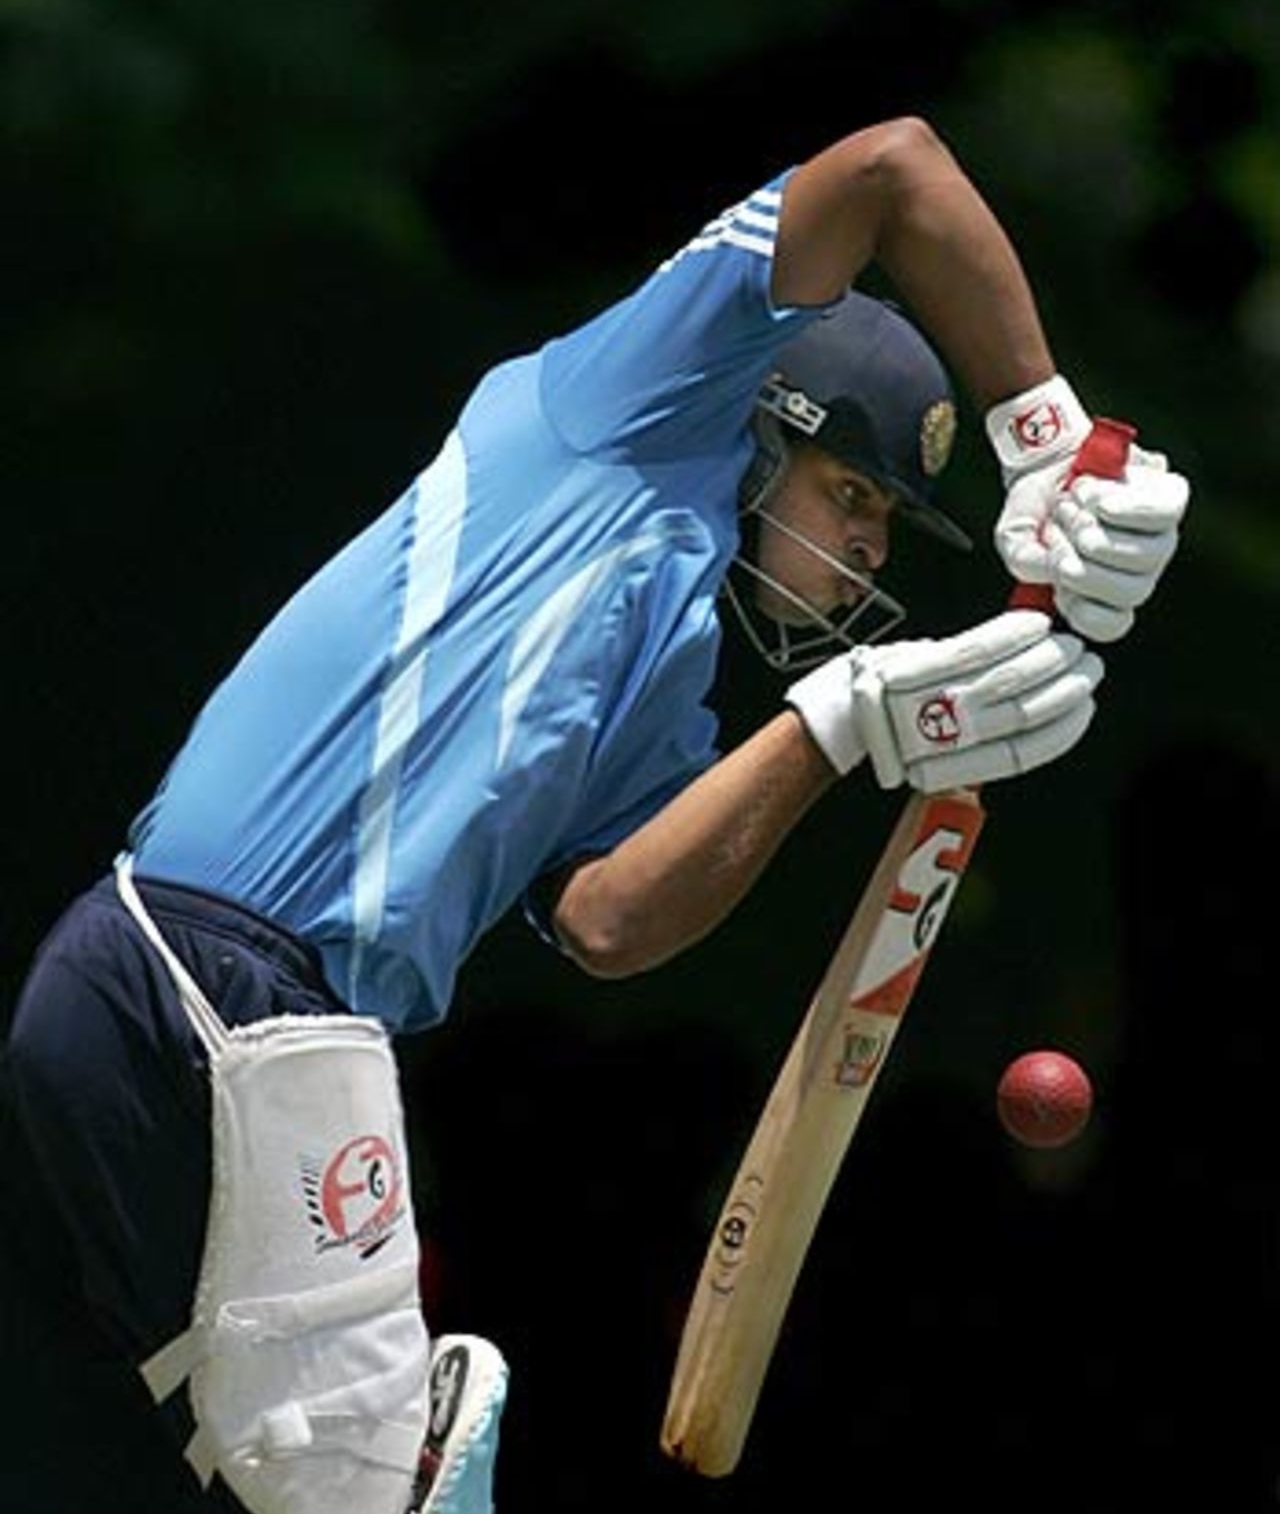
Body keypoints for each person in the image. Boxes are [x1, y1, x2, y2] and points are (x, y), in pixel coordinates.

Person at [0, 116, 1188, 1514]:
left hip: (182, 1004)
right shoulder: (626, 403)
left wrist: (845, 723)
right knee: (387, 1492)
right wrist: (1043, 433)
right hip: (227, 994)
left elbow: (612, 919)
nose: (866, 547)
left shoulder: (668, 667)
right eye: (854, 495)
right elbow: (893, 168)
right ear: (766, 428)